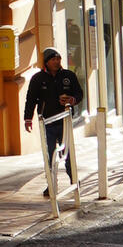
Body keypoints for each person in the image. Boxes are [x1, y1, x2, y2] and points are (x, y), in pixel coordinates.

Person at [23, 48, 85, 197]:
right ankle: (51, 184)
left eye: (58, 59)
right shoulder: (38, 79)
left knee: (68, 153)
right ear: (46, 62)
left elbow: (79, 93)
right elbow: (31, 99)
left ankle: (74, 179)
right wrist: (28, 118)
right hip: (47, 122)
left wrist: (72, 100)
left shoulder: (68, 76)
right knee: (49, 155)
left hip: (65, 121)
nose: (56, 62)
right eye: (53, 59)